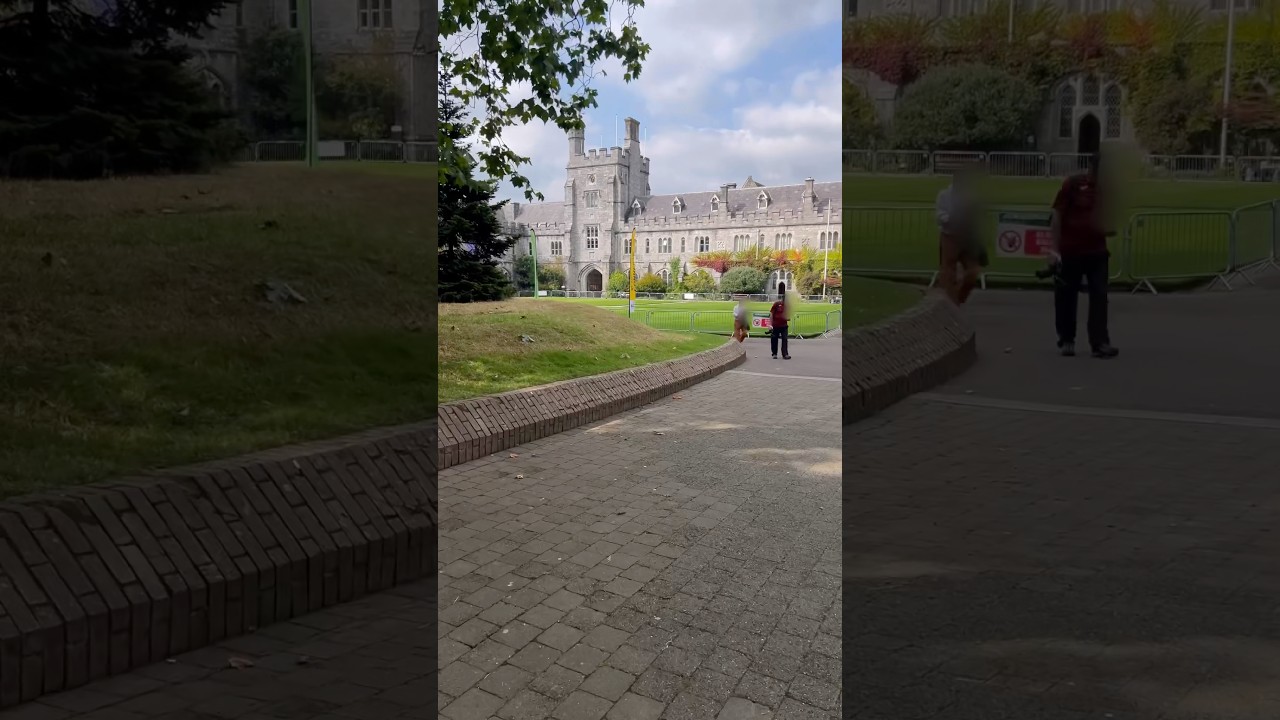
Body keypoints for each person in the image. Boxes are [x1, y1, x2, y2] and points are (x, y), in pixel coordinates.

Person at [1049, 153, 1119, 359]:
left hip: (1097, 251)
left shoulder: (1105, 191)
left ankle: (1099, 342)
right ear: (1092, 168)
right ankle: (1067, 339)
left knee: (1100, 296)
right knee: (1066, 296)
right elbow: (1057, 214)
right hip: (1071, 250)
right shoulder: (1073, 184)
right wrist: (1053, 250)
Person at [935, 165, 987, 305]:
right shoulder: (944, 195)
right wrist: (950, 218)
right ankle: (950, 302)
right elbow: (939, 215)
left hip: (967, 237)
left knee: (973, 272)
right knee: (948, 272)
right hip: (949, 236)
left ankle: (957, 299)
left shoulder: (972, 196)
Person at [770, 283, 790, 360]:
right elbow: (771, 314)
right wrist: (770, 324)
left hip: (784, 326)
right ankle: (774, 353)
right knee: (774, 339)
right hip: (775, 325)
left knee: (785, 339)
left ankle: (785, 354)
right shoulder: (777, 304)